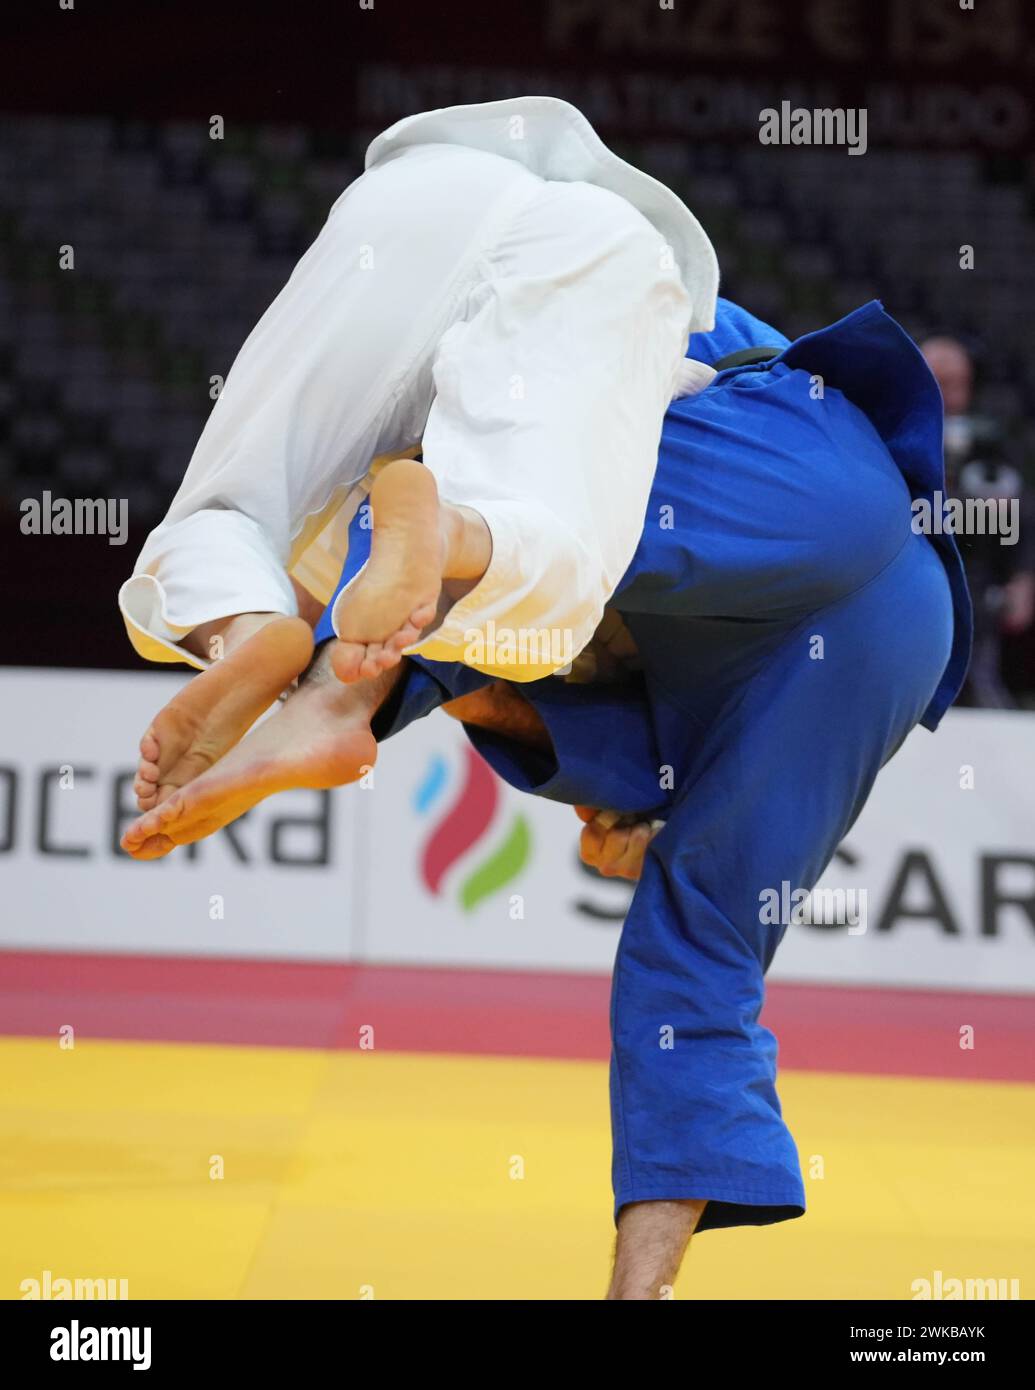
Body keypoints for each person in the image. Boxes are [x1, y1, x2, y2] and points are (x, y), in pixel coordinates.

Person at [120, 296, 972, 1298]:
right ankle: (638, 1294)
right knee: (693, 948)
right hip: (881, 627)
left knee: (520, 580)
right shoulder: (559, 344)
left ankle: (346, 678)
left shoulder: (585, 340)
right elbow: (510, 688)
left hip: (805, 487)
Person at [118, 96, 718, 708]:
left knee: (229, 510)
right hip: (607, 242)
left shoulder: (330, 560)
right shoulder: (348, 572)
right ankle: (447, 533)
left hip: (417, 186)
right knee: (548, 601)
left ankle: (242, 628)